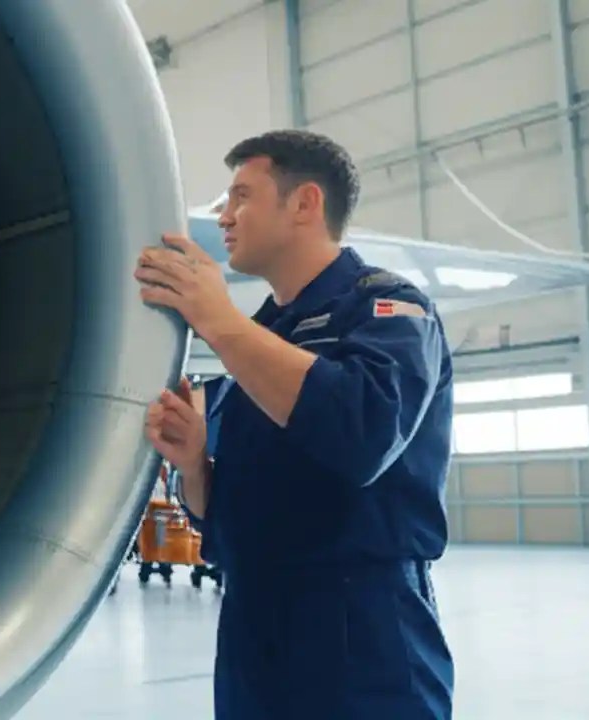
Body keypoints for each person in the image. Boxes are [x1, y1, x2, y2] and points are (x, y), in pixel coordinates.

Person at [134, 129, 455, 719]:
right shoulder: (260, 338)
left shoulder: (387, 310)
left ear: (305, 203)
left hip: (359, 629)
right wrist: (195, 466)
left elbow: (364, 436)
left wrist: (220, 322)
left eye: (240, 197)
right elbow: (229, 514)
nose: (223, 217)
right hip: (254, 626)